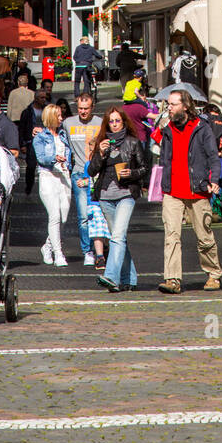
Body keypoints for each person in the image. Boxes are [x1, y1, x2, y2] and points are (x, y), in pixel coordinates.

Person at [155, 89, 222, 295]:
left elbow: (213, 157)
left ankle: (213, 274)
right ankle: (172, 279)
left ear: (185, 106)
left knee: (204, 237)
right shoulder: (167, 129)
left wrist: (214, 180)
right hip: (173, 191)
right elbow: (163, 158)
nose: (169, 108)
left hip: (198, 190)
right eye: (168, 104)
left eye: (173, 104)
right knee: (171, 236)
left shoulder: (202, 128)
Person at [87, 106, 147, 292]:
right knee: (117, 239)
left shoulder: (132, 142)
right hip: (105, 196)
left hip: (126, 194)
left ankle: (111, 276)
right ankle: (130, 278)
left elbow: (145, 168)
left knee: (117, 237)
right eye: (111, 121)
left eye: (117, 121)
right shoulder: (102, 142)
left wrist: (132, 172)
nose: (114, 124)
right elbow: (91, 171)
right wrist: (101, 154)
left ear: (123, 122)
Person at [65, 90, 103, 267]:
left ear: (93, 107)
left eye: (86, 108)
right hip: (79, 173)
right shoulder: (68, 123)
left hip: (98, 173)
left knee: (100, 214)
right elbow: (54, 133)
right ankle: (87, 251)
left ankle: (102, 249)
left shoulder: (101, 123)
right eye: (80, 108)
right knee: (83, 216)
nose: (83, 112)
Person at [32, 103, 73, 266]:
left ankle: (47, 247)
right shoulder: (40, 137)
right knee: (54, 215)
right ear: (51, 117)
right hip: (48, 176)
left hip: (64, 176)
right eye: (58, 116)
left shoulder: (63, 134)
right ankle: (58, 253)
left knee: (63, 218)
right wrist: (55, 158)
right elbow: (41, 158)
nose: (61, 118)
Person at [19, 89, 47, 193]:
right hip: (31, 142)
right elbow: (22, 128)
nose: (44, 100)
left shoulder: (46, 110)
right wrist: (22, 144)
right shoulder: (27, 112)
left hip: (45, 141)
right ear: (35, 98)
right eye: (42, 97)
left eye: (45, 97)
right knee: (30, 166)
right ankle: (29, 186)